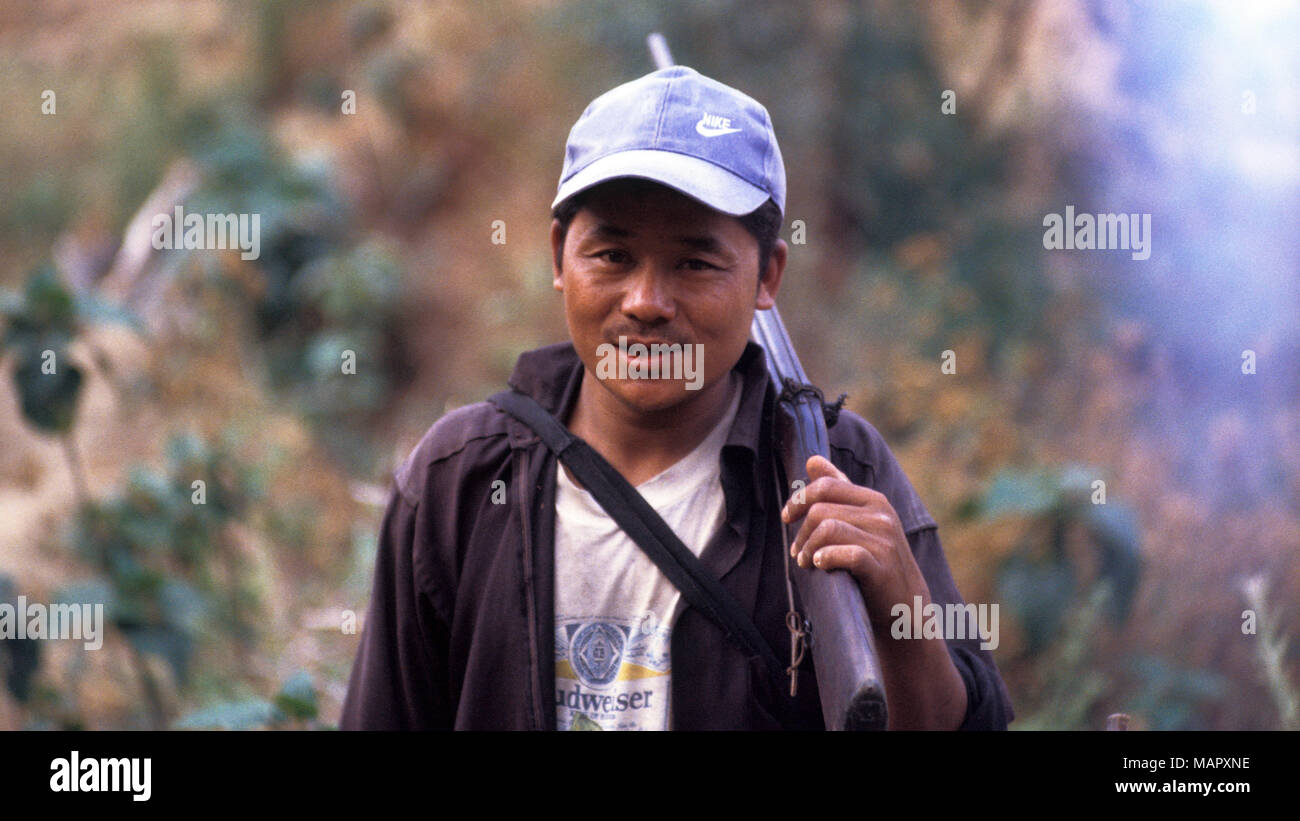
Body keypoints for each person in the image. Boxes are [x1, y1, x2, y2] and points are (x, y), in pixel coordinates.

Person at [340, 65, 1013, 730]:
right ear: (557, 256)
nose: (645, 302)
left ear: (767, 275)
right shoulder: (459, 478)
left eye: (694, 263)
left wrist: (901, 609)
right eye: (611, 255)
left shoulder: (841, 470)